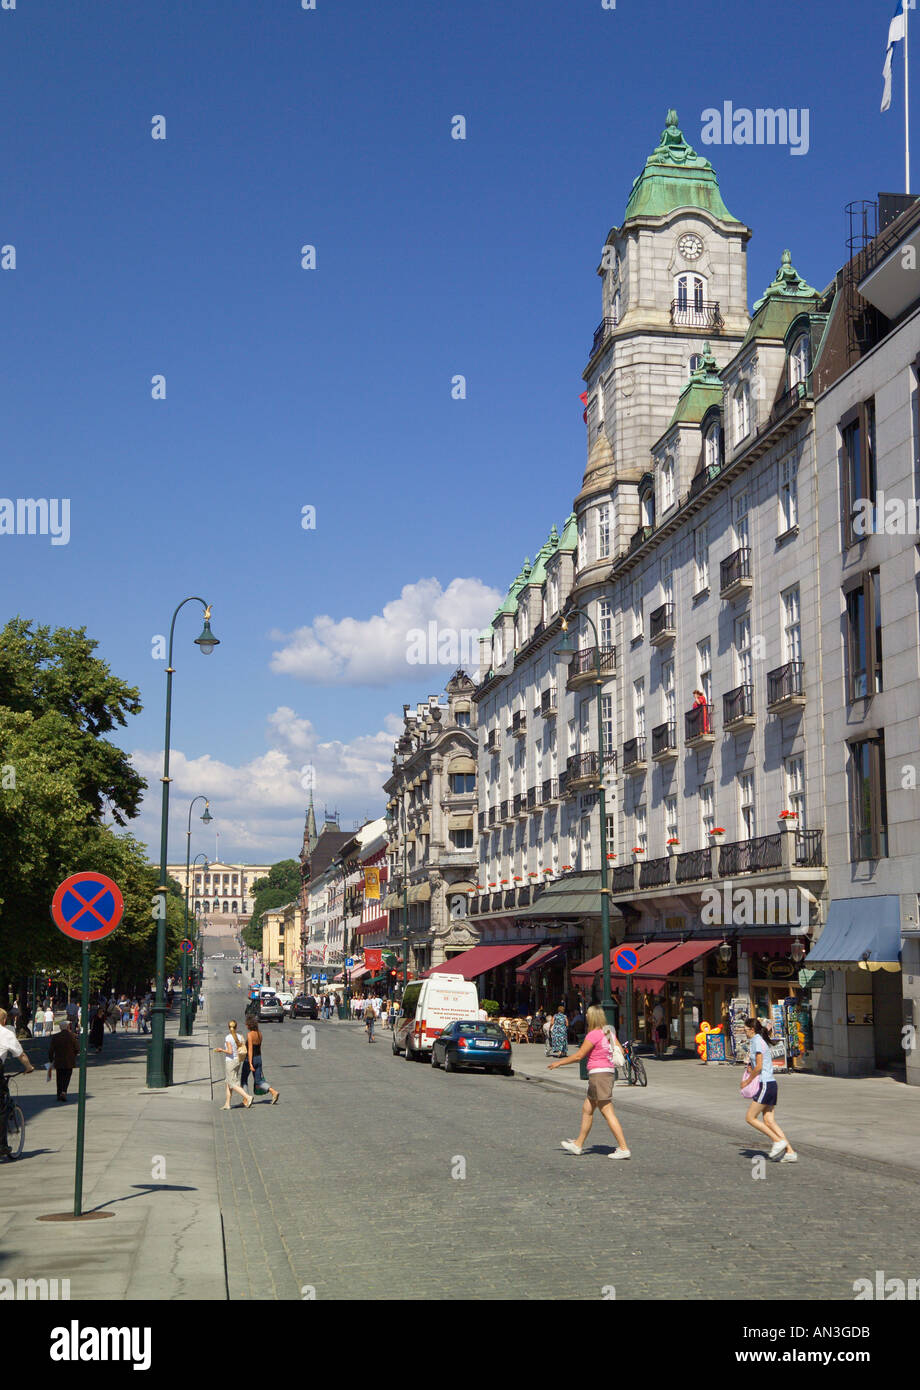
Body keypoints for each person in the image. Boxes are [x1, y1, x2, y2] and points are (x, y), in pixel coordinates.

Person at [549, 1006, 631, 1160]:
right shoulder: (608, 1031)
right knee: (587, 1109)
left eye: (587, 1014)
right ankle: (578, 1144)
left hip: (599, 1076)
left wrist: (559, 1063)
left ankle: (623, 1148)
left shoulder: (593, 1035)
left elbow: (579, 1055)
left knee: (608, 1112)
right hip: (606, 1073)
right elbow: (619, 1049)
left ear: (592, 1017)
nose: (585, 1015)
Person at [741, 1017, 797, 1162]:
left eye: (745, 1030)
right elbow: (759, 1064)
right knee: (769, 1120)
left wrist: (748, 1080)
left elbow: (759, 1066)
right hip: (771, 1083)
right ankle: (790, 1152)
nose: (744, 1032)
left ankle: (778, 1141)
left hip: (765, 1083)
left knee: (750, 1118)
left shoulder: (756, 1041)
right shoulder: (758, 1040)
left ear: (752, 1030)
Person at [0, 1006, 35, 1156]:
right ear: (3, 1019)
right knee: (2, 1107)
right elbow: (21, 1055)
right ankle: (1, 1145)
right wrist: (28, 1067)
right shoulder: (5, 1033)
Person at [214, 1021, 253, 1110]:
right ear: (236, 1027)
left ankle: (248, 1097)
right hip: (237, 1060)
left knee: (232, 1083)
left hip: (230, 1062)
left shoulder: (228, 1037)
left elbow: (230, 1051)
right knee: (229, 1082)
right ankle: (227, 1104)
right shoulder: (240, 1036)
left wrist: (221, 1050)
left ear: (228, 1027)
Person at [245, 1016, 279, 1103]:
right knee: (259, 1080)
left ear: (249, 1025)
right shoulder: (259, 1034)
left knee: (248, 1080)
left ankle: (246, 1098)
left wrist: (250, 1063)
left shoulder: (250, 1035)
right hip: (259, 1058)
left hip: (252, 1059)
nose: (246, 1025)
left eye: (247, 1024)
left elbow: (250, 1050)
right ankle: (273, 1092)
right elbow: (259, 1048)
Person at [47, 1019, 80, 1102]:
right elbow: (77, 1048)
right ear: (68, 1027)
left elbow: (51, 1050)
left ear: (60, 1027)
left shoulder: (55, 1037)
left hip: (59, 1060)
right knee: (67, 1077)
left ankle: (59, 1093)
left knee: (59, 1077)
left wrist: (51, 1059)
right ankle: (64, 1091)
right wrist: (74, 1055)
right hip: (69, 1061)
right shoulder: (72, 1036)